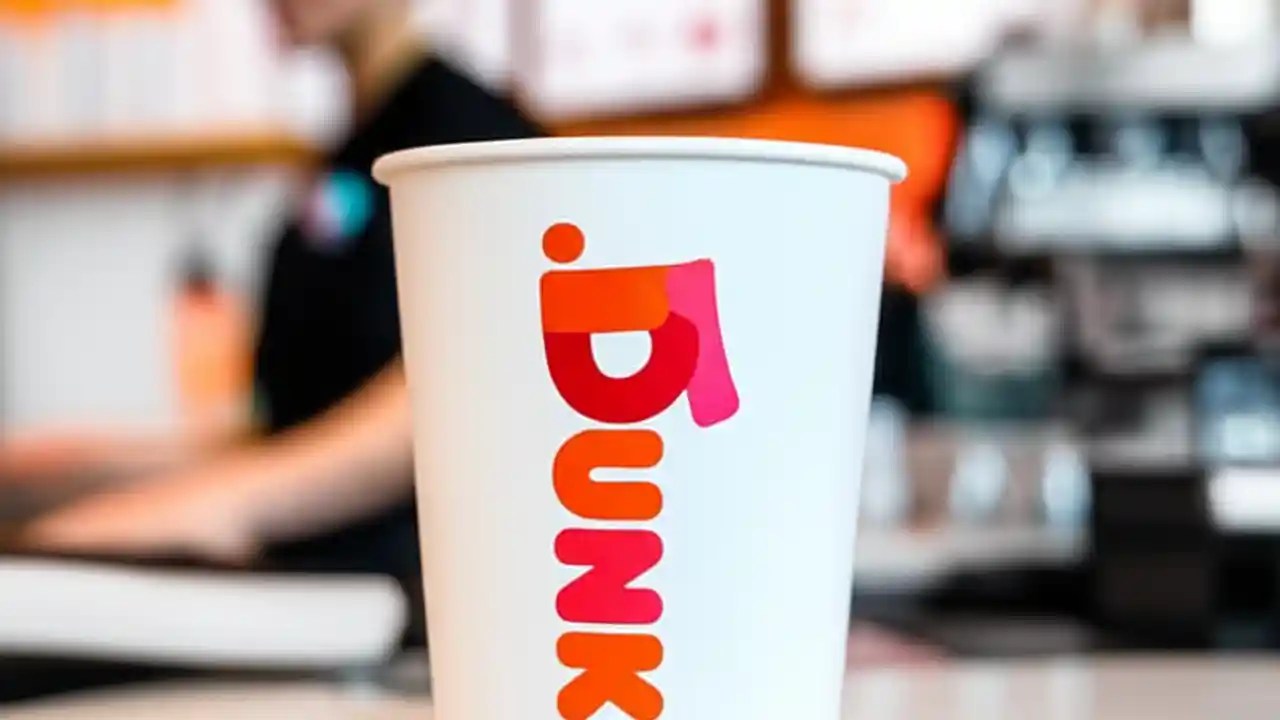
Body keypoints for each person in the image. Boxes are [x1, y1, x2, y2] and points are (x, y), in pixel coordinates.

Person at [0, 0, 539, 582]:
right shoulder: (354, 146)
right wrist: (87, 463)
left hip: (389, 578)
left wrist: (205, 509)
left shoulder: (470, 140)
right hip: (308, 541)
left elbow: (450, 397)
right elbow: (297, 423)